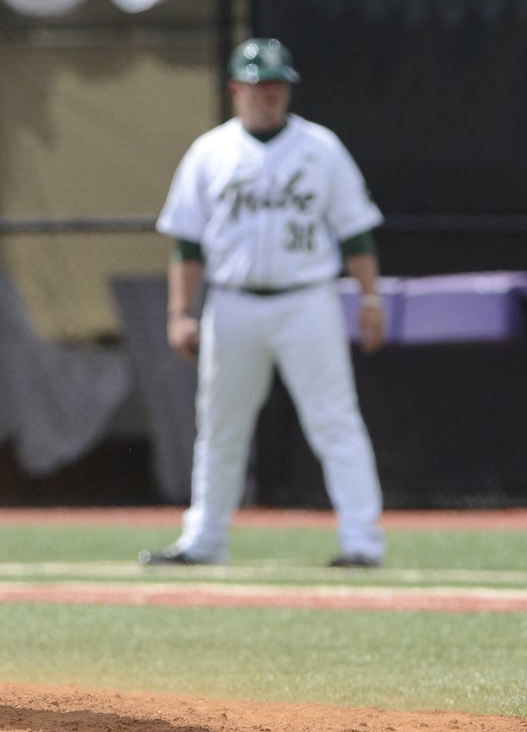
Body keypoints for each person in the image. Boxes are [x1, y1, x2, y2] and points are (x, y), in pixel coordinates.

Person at [141, 38, 388, 569]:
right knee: (221, 425)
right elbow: (187, 242)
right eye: (258, 84)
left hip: (308, 299)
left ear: (288, 88)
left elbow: (356, 233)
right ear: (236, 89)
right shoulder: (211, 151)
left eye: (277, 84)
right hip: (232, 303)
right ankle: (205, 540)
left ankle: (363, 541)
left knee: (334, 420)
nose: (269, 94)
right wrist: (180, 311)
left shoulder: (321, 147)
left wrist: (370, 298)